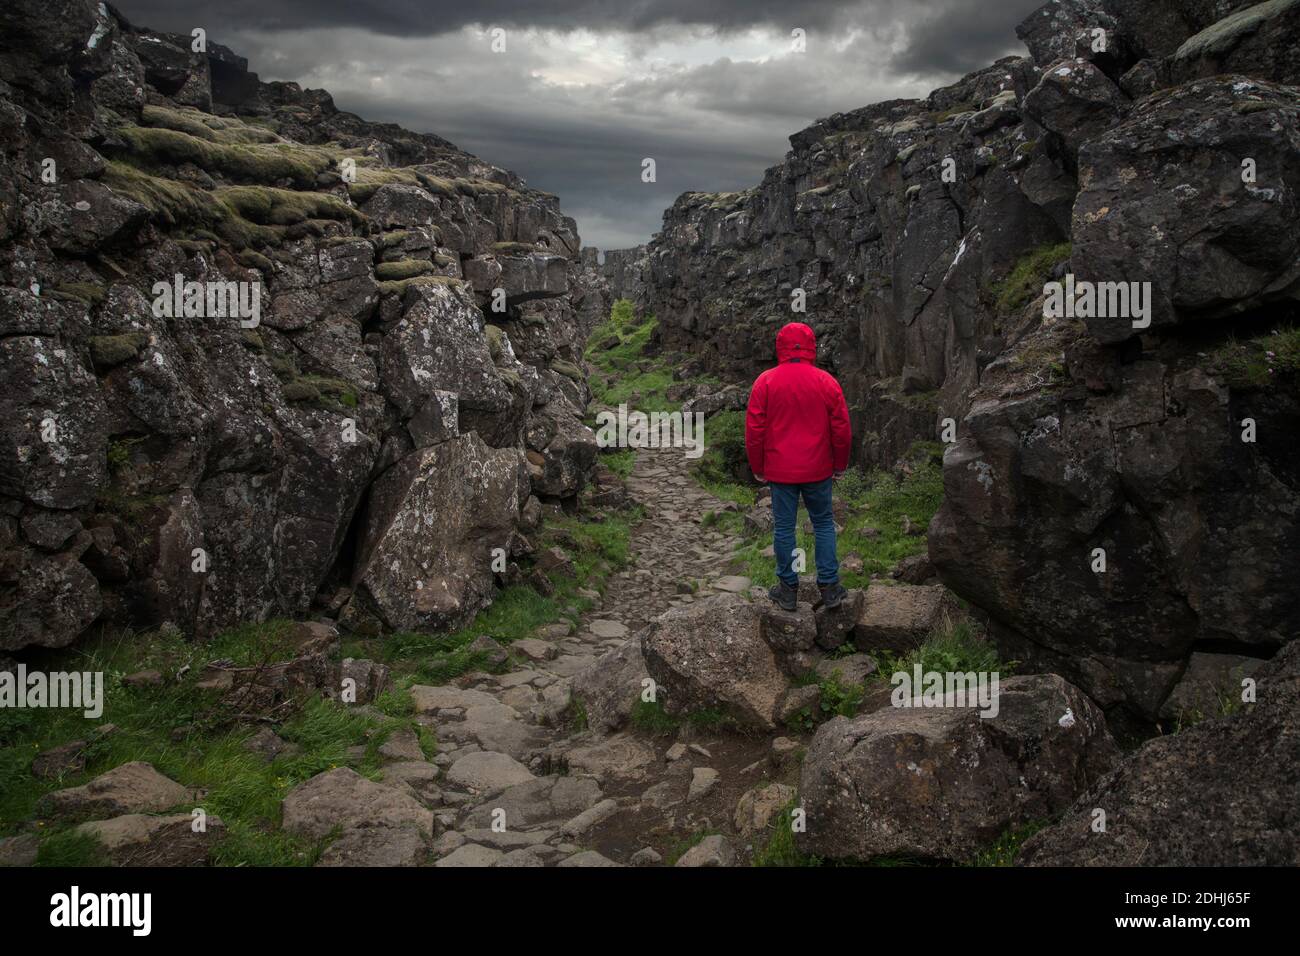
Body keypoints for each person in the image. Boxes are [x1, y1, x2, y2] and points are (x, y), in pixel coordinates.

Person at [744, 322, 852, 611]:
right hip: (818, 469)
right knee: (823, 523)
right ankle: (829, 589)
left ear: (780, 346)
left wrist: (758, 467)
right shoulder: (826, 381)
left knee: (784, 528)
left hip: (780, 471)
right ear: (811, 347)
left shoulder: (765, 382)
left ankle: (788, 590)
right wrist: (839, 464)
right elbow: (841, 429)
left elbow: (754, 429)